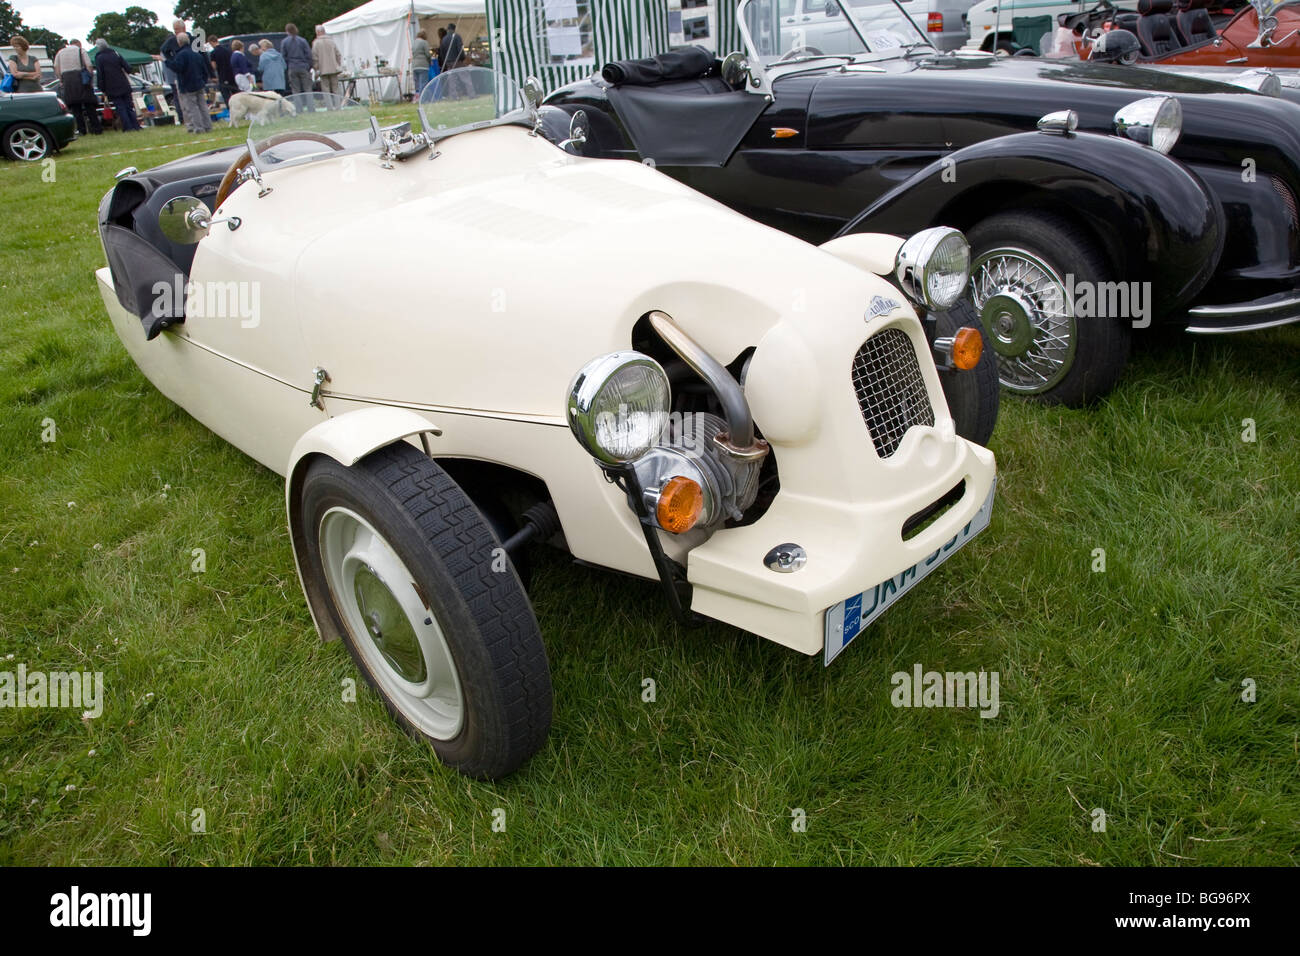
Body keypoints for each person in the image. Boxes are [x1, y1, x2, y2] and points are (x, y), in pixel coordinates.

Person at [165, 32, 213, 133]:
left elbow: (178, 67)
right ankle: (208, 126)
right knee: (203, 106)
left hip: (187, 85)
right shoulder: (196, 53)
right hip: (199, 83)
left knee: (192, 108)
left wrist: (166, 61)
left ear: (179, 42)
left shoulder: (181, 55)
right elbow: (204, 70)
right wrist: (203, 81)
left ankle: (199, 128)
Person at [53, 39, 101, 135]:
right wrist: (90, 78)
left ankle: (81, 130)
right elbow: (89, 65)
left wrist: (61, 80)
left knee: (75, 108)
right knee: (89, 106)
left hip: (67, 80)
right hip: (81, 79)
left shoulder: (60, 52)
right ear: (78, 44)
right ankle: (96, 129)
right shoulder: (80, 50)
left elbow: (56, 67)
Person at [94, 39, 141, 131]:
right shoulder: (116, 53)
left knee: (121, 108)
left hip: (111, 87)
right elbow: (128, 68)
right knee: (129, 107)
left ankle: (128, 127)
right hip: (124, 84)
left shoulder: (99, 58)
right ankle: (136, 126)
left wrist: (102, 88)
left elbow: (100, 74)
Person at [159, 19, 187, 124]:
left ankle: (182, 118)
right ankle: (182, 117)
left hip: (171, 78)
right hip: (175, 77)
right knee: (179, 97)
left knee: (177, 97)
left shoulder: (165, 54)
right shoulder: (169, 53)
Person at [281, 24, 313, 96]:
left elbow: (283, 56)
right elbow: (308, 54)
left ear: (287, 31)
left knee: (295, 90)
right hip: (303, 66)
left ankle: (298, 106)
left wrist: (288, 65)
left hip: (292, 67)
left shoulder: (284, 42)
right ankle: (310, 106)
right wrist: (309, 65)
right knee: (308, 88)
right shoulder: (303, 41)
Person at [312, 26, 343, 97]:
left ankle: (329, 106)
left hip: (323, 69)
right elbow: (338, 54)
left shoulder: (316, 43)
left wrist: (316, 69)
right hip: (334, 68)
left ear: (318, 32)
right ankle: (338, 105)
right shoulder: (331, 41)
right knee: (336, 88)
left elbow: (315, 57)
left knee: (326, 90)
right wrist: (338, 65)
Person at [210, 40, 236, 111]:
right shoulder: (228, 50)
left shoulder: (213, 53)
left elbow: (214, 66)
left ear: (211, 42)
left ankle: (231, 111)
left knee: (226, 96)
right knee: (235, 94)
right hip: (231, 75)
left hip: (222, 76)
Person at [411, 29, 431, 98]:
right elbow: (428, 54)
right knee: (423, 82)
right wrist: (430, 62)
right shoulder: (424, 42)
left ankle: (417, 96)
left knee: (417, 83)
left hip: (414, 65)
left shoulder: (414, 42)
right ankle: (423, 97)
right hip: (423, 65)